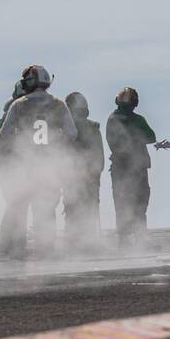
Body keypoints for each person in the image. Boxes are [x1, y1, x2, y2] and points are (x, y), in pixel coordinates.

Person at [0, 65, 76, 258]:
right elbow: (72, 133)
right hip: (50, 165)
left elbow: (4, 134)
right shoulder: (59, 104)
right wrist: (56, 144)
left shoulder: (19, 104)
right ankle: (46, 248)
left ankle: (18, 249)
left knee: (19, 207)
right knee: (46, 209)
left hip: (24, 165)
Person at [105, 87, 155, 247]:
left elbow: (111, 140)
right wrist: (136, 137)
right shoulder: (138, 120)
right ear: (135, 103)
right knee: (140, 201)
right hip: (137, 168)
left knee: (121, 202)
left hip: (121, 167)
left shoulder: (112, 119)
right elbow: (151, 137)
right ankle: (140, 238)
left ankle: (124, 240)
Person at [64, 92, 104, 245]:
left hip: (71, 175)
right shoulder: (93, 127)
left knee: (72, 207)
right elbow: (98, 154)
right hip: (90, 175)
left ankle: (73, 241)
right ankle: (89, 241)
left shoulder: (65, 129)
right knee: (90, 207)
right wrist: (96, 172)